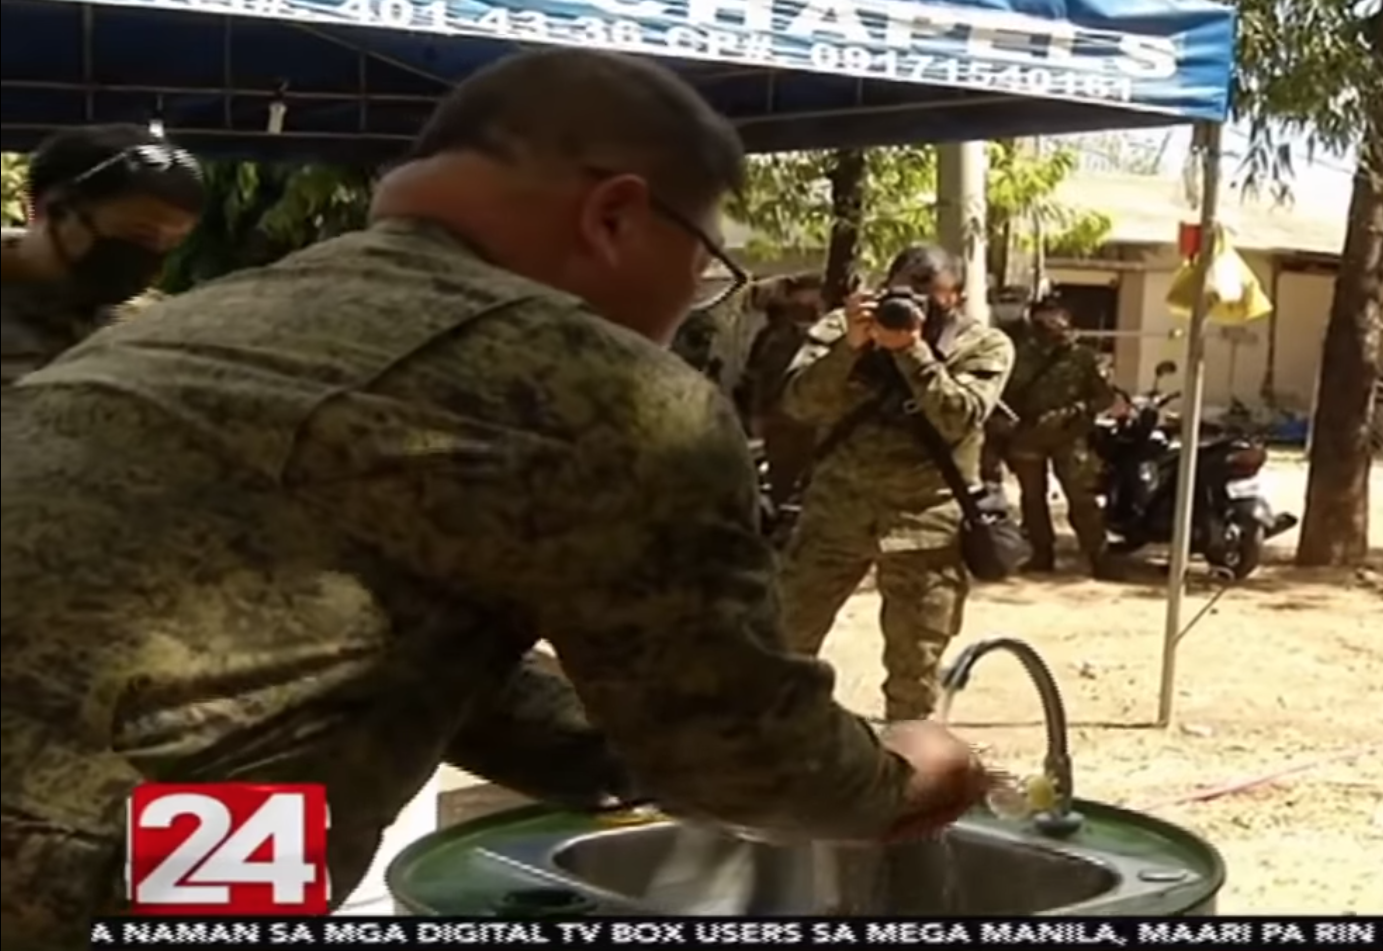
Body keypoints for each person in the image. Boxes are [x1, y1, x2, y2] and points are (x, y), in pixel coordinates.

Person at [1, 50, 987, 948]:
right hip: (102, 868)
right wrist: (892, 777)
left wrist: (624, 749)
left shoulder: (213, 316)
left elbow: (382, 649)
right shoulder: (596, 385)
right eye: (701, 274)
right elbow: (731, 757)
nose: (686, 311)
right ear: (613, 216)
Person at [776, 246, 1014, 722]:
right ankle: (773, 762)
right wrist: (849, 346)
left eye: (931, 295)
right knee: (783, 647)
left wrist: (912, 351)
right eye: (905, 291)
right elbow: (799, 404)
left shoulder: (984, 346)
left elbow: (959, 417)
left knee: (914, 675)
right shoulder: (840, 332)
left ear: (958, 297)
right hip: (835, 516)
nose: (915, 305)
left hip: (925, 525)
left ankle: (908, 777)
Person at [1, 124, 204, 386]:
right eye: (139, 237)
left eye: (172, 244)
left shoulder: (140, 322)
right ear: (52, 210)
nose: (151, 262)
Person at [998, 297, 1120, 577]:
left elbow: (1104, 397)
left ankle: (1099, 557)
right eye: (1043, 321)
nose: (1049, 327)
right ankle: (1041, 554)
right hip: (1028, 435)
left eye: (1056, 320)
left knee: (1081, 499)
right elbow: (1004, 392)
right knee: (1032, 499)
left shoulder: (1084, 357)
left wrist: (1077, 411)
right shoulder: (1019, 354)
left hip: (1070, 436)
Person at [737, 272, 824, 506]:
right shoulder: (774, 335)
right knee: (782, 487)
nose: (806, 310)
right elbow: (755, 376)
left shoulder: (832, 334)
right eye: (799, 304)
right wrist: (756, 414)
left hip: (820, 424)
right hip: (780, 423)